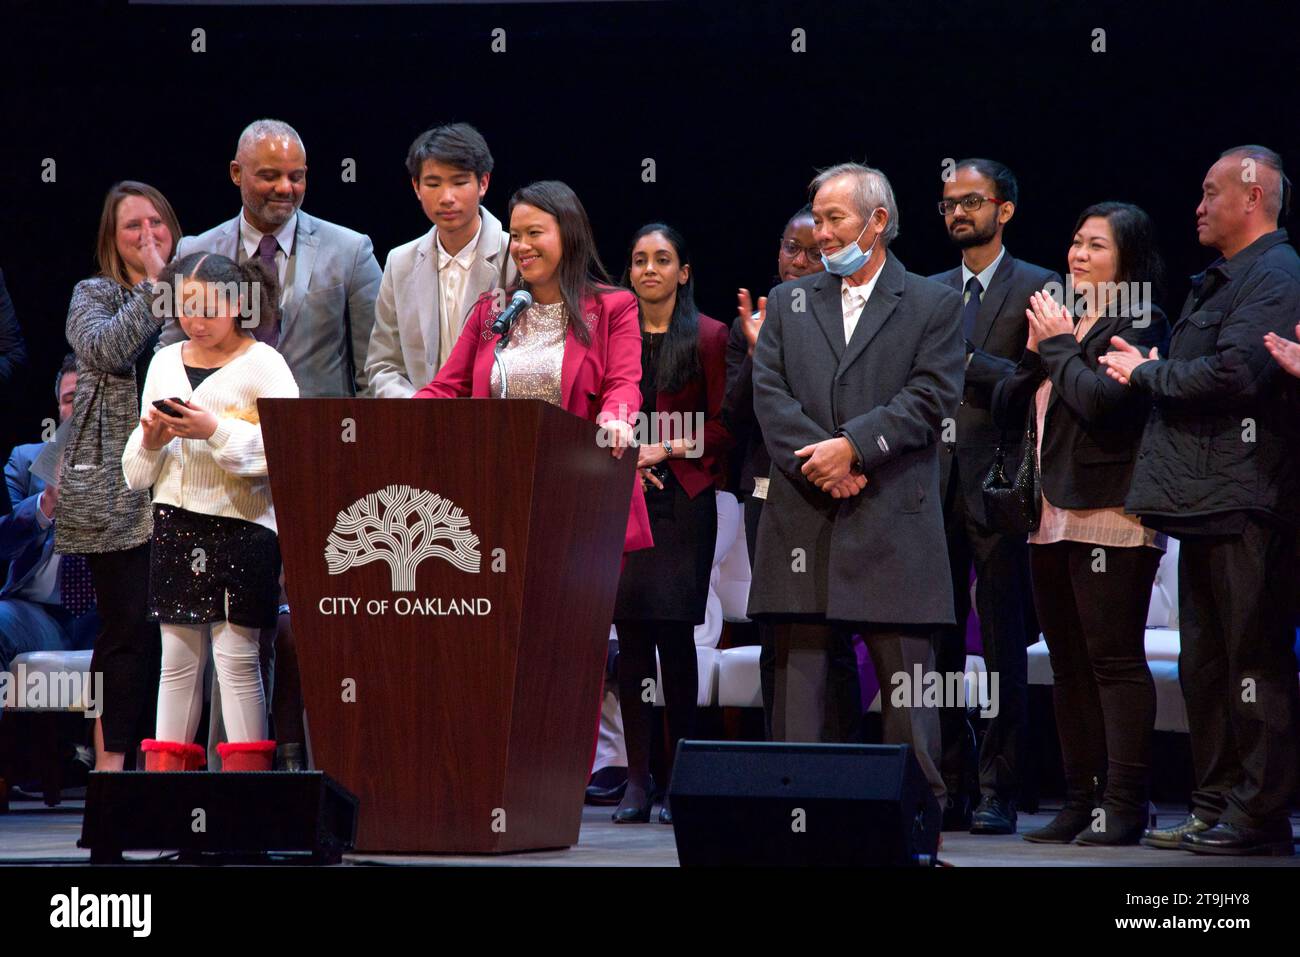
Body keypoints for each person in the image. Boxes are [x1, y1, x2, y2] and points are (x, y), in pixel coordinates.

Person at [162, 119, 381, 769]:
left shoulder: (350, 250)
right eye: (269, 174)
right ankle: (220, 789)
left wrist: (354, 459)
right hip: (215, 480)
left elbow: (371, 368)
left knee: (317, 625)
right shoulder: (199, 249)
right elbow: (172, 356)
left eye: (297, 176)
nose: (286, 187)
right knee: (224, 639)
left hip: (317, 469)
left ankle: (323, 775)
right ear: (237, 174)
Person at [1100, 145, 1300, 856]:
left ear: (1253, 197)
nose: (1199, 204)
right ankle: (1215, 803)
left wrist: (1151, 372)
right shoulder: (1221, 279)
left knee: (1252, 664)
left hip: (1247, 498)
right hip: (1202, 499)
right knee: (1205, 667)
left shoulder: (1276, 272)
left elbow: (1237, 373)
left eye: (1212, 192)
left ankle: (1260, 811)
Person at [748, 162, 964, 805]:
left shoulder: (933, 302)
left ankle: (916, 826)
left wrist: (853, 448)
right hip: (803, 516)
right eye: (816, 218)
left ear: (878, 221)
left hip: (892, 516)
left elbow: (931, 397)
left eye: (834, 218)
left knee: (908, 706)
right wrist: (821, 461)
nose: (820, 233)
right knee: (798, 709)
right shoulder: (787, 303)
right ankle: (796, 825)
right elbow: (771, 396)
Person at [993, 202, 1170, 845]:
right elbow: (1009, 399)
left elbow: (1103, 404)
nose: (1077, 255)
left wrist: (1061, 346)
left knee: (1112, 660)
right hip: (1049, 509)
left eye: (1095, 245)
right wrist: (1041, 353)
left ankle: (1125, 804)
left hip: (1110, 509)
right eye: (1075, 242)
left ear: (1127, 258)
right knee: (1066, 664)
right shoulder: (1059, 318)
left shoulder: (1143, 319)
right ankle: (1080, 800)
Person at [123, 252, 299, 772]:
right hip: (176, 524)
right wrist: (152, 440)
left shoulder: (264, 363)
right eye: (185, 308)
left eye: (208, 307)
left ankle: (246, 800)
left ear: (238, 304)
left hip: (242, 529)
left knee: (237, 660)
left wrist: (214, 431)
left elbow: (286, 451)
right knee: (176, 664)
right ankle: (167, 799)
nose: (195, 321)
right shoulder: (163, 362)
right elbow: (135, 474)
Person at [413, 179, 652, 557]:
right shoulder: (492, 311)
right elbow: (445, 388)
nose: (522, 246)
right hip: (493, 495)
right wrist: (394, 421)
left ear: (569, 235)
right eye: (516, 235)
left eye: (534, 233)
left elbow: (623, 383)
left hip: (579, 494)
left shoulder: (613, 307)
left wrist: (616, 419)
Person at [929, 158, 1060, 834]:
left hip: (1001, 484)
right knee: (940, 642)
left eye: (971, 201)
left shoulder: (1040, 285)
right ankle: (950, 781)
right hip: (930, 488)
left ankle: (1000, 786)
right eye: (949, 202)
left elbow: (1030, 385)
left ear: (1003, 209)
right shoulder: (925, 291)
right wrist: (986, 369)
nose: (958, 212)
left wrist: (968, 363)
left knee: (1004, 641)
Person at [724, 204, 859, 743]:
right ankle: (778, 761)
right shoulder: (754, 323)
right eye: (790, 248)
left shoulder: (847, 318)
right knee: (775, 629)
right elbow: (732, 418)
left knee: (832, 631)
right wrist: (758, 353)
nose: (799, 261)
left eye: (815, 250)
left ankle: (841, 766)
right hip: (767, 491)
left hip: (835, 487)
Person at [610, 224, 731, 824]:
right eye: (638, 260)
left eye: (662, 260)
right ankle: (637, 779)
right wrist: (627, 457)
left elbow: (728, 425)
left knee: (675, 641)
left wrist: (661, 448)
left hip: (683, 501)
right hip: (623, 497)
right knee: (630, 640)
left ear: (684, 271)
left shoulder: (709, 336)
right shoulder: (614, 337)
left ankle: (679, 777)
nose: (649, 269)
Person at [59, 180, 181, 771]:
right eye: (133, 226)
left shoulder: (198, 291)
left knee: (180, 634)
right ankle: (110, 772)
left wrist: (174, 287)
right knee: (126, 629)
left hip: (185, 482)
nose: (147, 235)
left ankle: (172, 767)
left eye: (157, 223)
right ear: (112, 238)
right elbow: (109, 350)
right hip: (115, 490)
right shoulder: (93, 294)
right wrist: (157, 286)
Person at [366, 123, 516, 397]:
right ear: (416, 187)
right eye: (433, 184)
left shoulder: (515, 255)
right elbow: (382, 364)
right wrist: (420, 410)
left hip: (497, 425)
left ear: (483, 182)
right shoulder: (400, 262)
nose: (447, 197)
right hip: (421, 427)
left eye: (459, 182)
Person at [1, 356, 99, 680]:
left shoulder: (133, 464)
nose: (79, 407)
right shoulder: (25, 460)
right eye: (70, 399)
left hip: (104, 616)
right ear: (59, 409)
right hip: (36, 612)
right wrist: (46, 502)